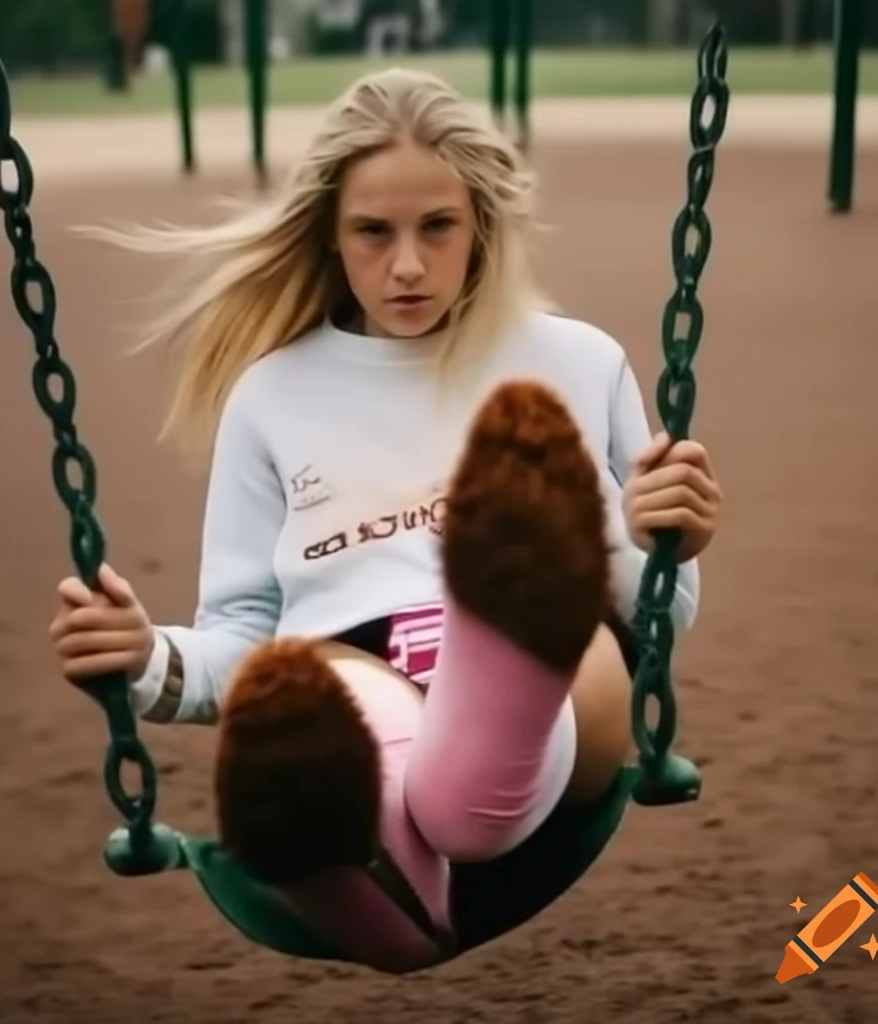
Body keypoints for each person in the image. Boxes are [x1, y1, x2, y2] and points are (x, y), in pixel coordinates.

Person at [49, 67, 722, 973]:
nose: (407, 265)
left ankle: (497, 645)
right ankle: (404, 866)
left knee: (524, 623)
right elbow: (242, 642)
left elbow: (662, 613)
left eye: (437, 226)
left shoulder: (575, 362)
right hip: (355, 673)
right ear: (331, 235)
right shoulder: (273, 396)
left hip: (563, 675)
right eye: (374, 231)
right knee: (305, 724)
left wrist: (657, 539)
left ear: (479, 223)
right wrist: (144, 661)